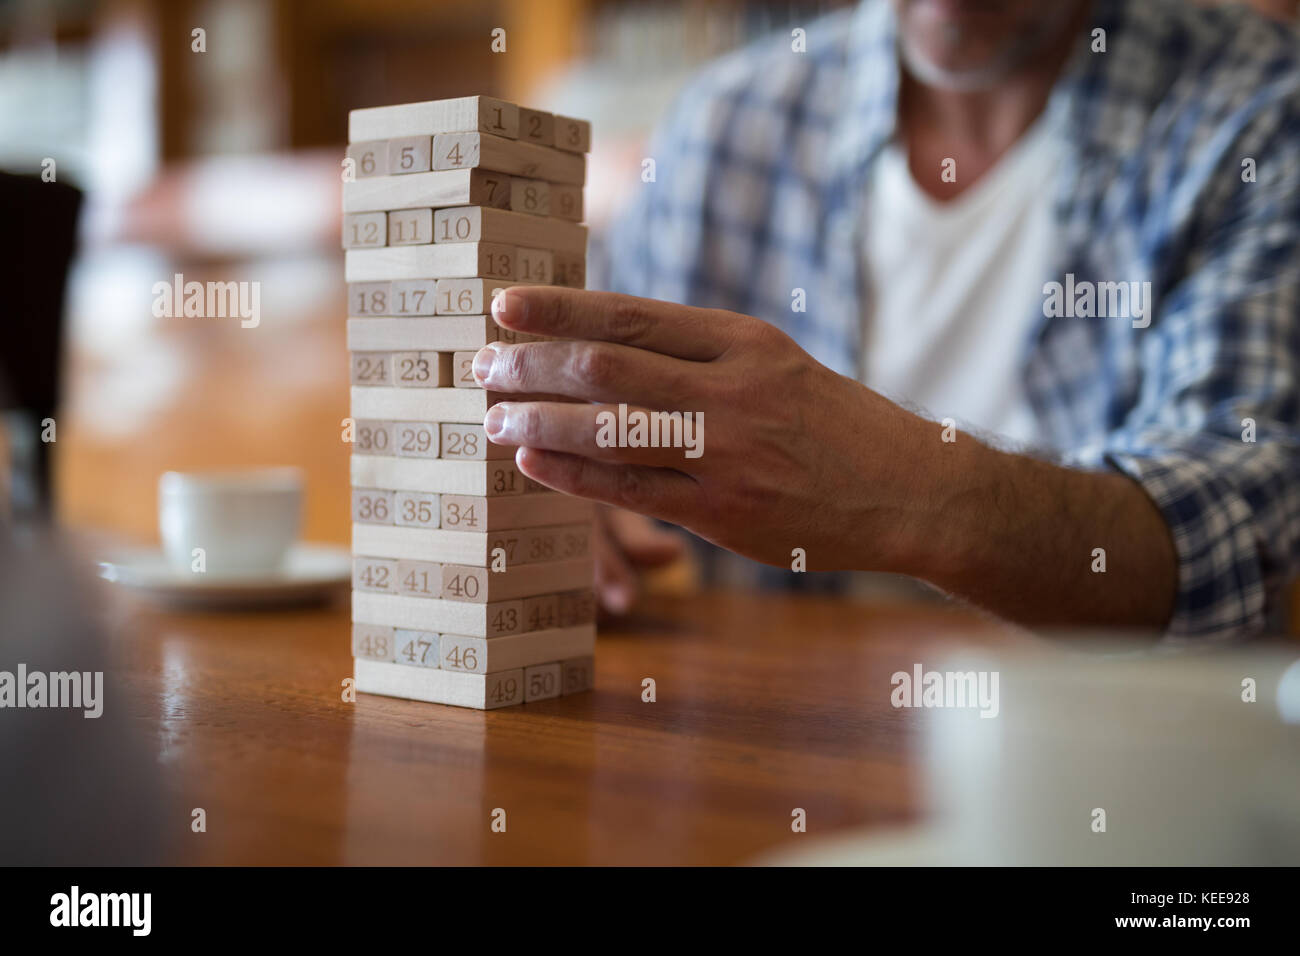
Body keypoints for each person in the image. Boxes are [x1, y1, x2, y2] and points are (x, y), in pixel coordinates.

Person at [471, 0, 1300, 640]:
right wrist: (558, 491)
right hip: (765, 762)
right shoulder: (724, 125)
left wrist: (899, 488)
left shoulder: (1258, 112)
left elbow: (1238, 537)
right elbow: (584, 406)